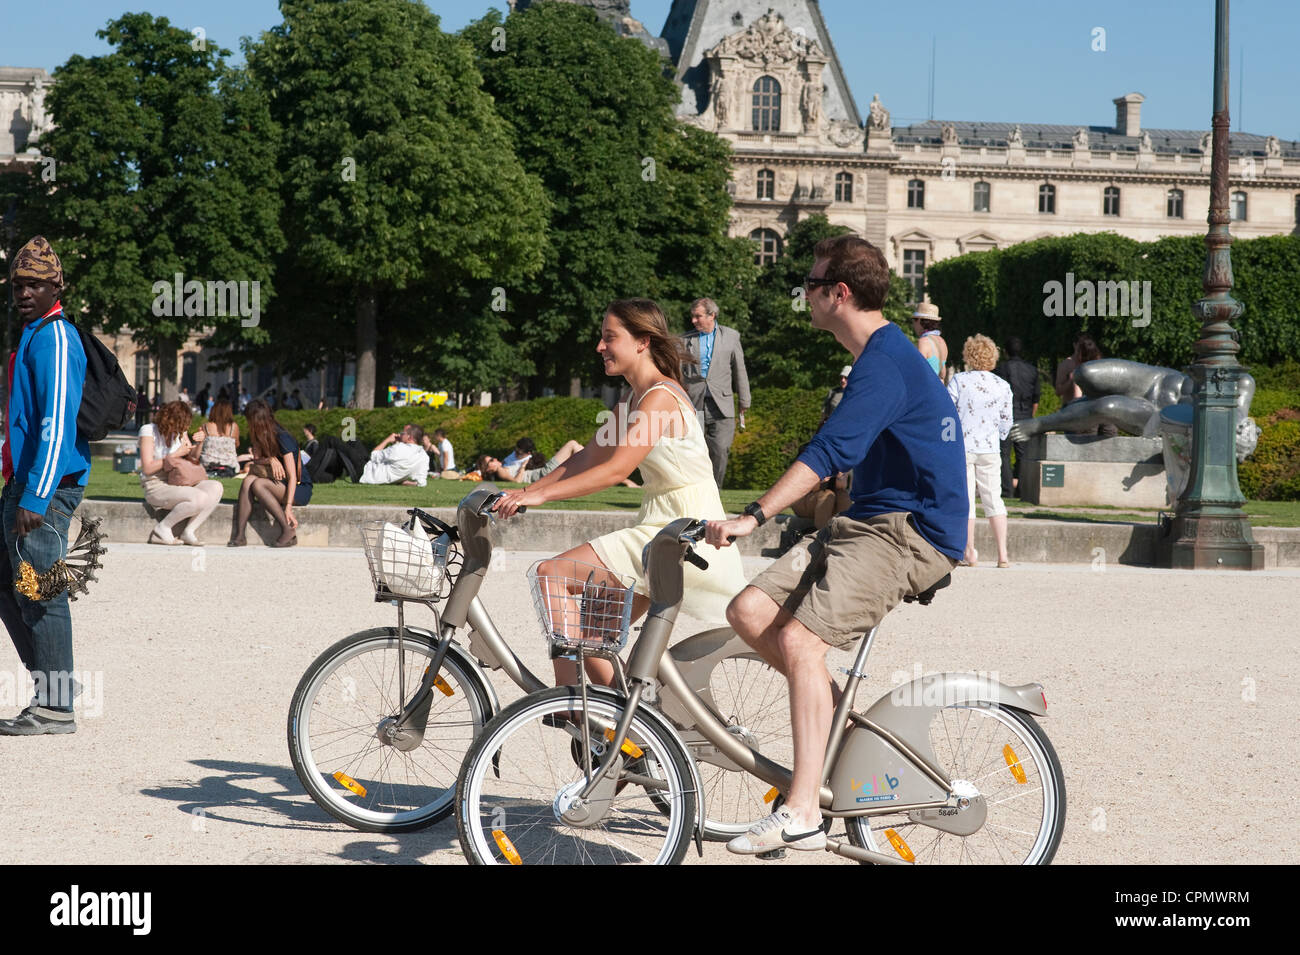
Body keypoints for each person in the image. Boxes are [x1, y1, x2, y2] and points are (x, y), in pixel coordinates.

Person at [704, 234, 966, 854]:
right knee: (747, 610)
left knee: (799, 639)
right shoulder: (880, 355)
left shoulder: (888, 360)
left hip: (911, 532)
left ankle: (802, 812)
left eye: (811, 283)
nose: (805, 293)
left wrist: (754, 515)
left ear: (838, 293)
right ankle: (834, 725)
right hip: (866, 523)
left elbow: (828, 454)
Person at [493, 298, 747, 688]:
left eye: (610, 337)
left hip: (681, 530)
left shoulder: (661, 396)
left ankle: (573, 705)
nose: (600, 347)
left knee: (551, 575)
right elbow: (587, 458)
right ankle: (621, 730)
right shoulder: (633, 398)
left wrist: (540, 498)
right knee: (592, 639)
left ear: (643, 341)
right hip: (662, 525)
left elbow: (616, 469)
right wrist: (524, 491)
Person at [0, 237, 92, 734]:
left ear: (57, 286)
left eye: (35, 283)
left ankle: (56, 705)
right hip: (24, 481)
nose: (24, 292)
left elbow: (57, 423)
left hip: (46, 487)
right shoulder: (34, 335)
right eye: (18, 284)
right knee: (9, 585)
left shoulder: (56, 338)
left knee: (40, 590)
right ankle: (53, 684)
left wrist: (35, 495)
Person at [948, 335, 1013, 567]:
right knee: (994, 499)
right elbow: (1007, 423)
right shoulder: (1002, 385)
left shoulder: (959, 381)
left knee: (966, 500)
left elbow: (948, 413)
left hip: (963, 447)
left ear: (969, 355)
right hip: (989, 447)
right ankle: (1002, 555)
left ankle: (969, 553)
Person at [681, 297, 750, 487]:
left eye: (698, 316)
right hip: (694, 403)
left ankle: (714, 492)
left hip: (722, 404)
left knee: (720, 449)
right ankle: (695, 493)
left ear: (712, 315)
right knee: (693, 452)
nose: (693, 321)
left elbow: (740, 370)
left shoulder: (731, 336)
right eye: (692, 316)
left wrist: (744, 401)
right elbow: (677, 375)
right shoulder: (684, 340)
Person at [137, 400, 224, 546]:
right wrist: (175, 455)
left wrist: (200, 442)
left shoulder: (180, 432)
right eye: (182, 424)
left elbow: (193, 458)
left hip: (178, 479)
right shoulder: (148, 431)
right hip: (155, 483)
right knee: (200, 497)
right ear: (171, 420)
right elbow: (147, 468)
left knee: (216, 487)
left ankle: (189, 531)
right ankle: (162, 529)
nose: (184, 428)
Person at [227, 399, 311, 548]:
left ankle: (287, 529)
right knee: (248, 480)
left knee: (258, 484)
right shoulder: (260, 435)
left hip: (298, 488)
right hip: (277, 484)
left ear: (256, 420)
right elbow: (257, 461)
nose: (247, 424)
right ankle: (239, 535)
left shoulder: (282, 437)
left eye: (249, 420)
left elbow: (292, 477)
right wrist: (270, 460)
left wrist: (288, 506)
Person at [479, 440, 638, 487]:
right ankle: (606, 466)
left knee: (582, 456)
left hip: (543, 473)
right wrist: (523, 465)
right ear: (490, 468)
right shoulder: (501, 470)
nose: (494, 459)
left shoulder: (505, 463)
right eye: (490, 461)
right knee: (572, 445)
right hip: (543, 473)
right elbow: (517, 481)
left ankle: (614, 474)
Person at [994, 336, 1040, 498]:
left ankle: (1007, 491)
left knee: (1004, 454)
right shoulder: (1032, 370)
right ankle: (1022, 489)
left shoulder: (1000, 370)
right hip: (1025, 414)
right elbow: (1036, 398)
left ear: (1005, 351)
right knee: (1023, 455)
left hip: (1004, 416)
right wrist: (1029, 417)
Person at [360, 424, 430, 486]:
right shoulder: (424, 456)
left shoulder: (399, 448)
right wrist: (403, 482)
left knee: (354, 442)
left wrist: (387, 440)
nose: (399, 435)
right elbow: (422, 483)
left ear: (410, 437)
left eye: (403, 433)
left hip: (368, 473)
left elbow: (373, 456)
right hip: (380, 475)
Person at [199, 399, 241, 478]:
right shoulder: (233, 426)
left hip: (207, 464)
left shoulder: (206, 426)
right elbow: (237, 444)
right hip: (229, 464)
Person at [911, 302, 949, 381]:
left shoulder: (923, 342)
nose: (913, 325)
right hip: (938, 390)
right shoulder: (942, 341)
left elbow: (918, 371)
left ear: (920, 321)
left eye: (914, 320)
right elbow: (943, 374)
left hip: (926, 390)